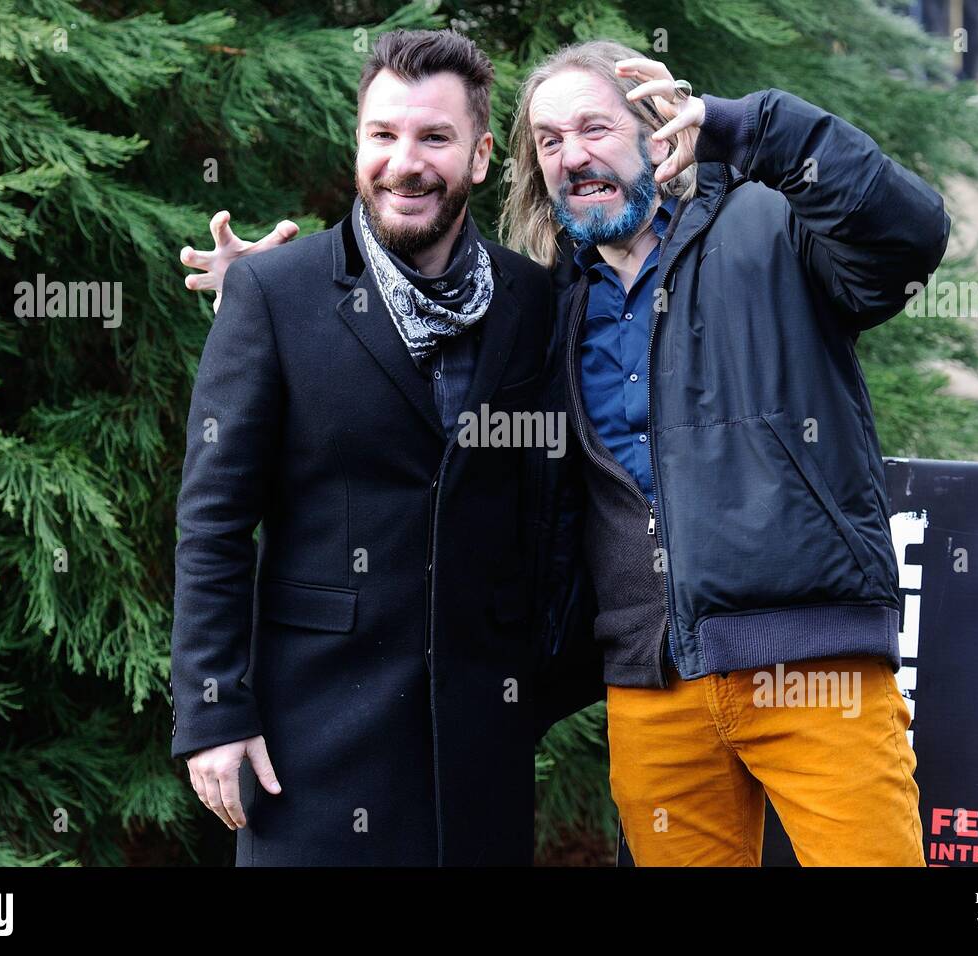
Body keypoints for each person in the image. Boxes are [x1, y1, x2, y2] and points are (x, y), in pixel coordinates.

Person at [185, 38, 951, 867]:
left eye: (594, 127)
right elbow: (247, 502)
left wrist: (749, 126)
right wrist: (278, 292)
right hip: (647, 685)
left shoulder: (767, 234)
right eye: (549, 141)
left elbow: (906, 235)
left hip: (808, 662)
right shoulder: (555, 301)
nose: (573, 155)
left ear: (659, 129)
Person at [169, 28, 600, 867]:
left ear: (478, 158)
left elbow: (557, 505)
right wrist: (215, 712)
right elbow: (213, 523)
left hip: (478, 746)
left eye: (435, 138)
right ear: (359, 144)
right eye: (384, 135)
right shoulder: (273, 295)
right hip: (310, 742)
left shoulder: (533, 301)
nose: (406, 162)